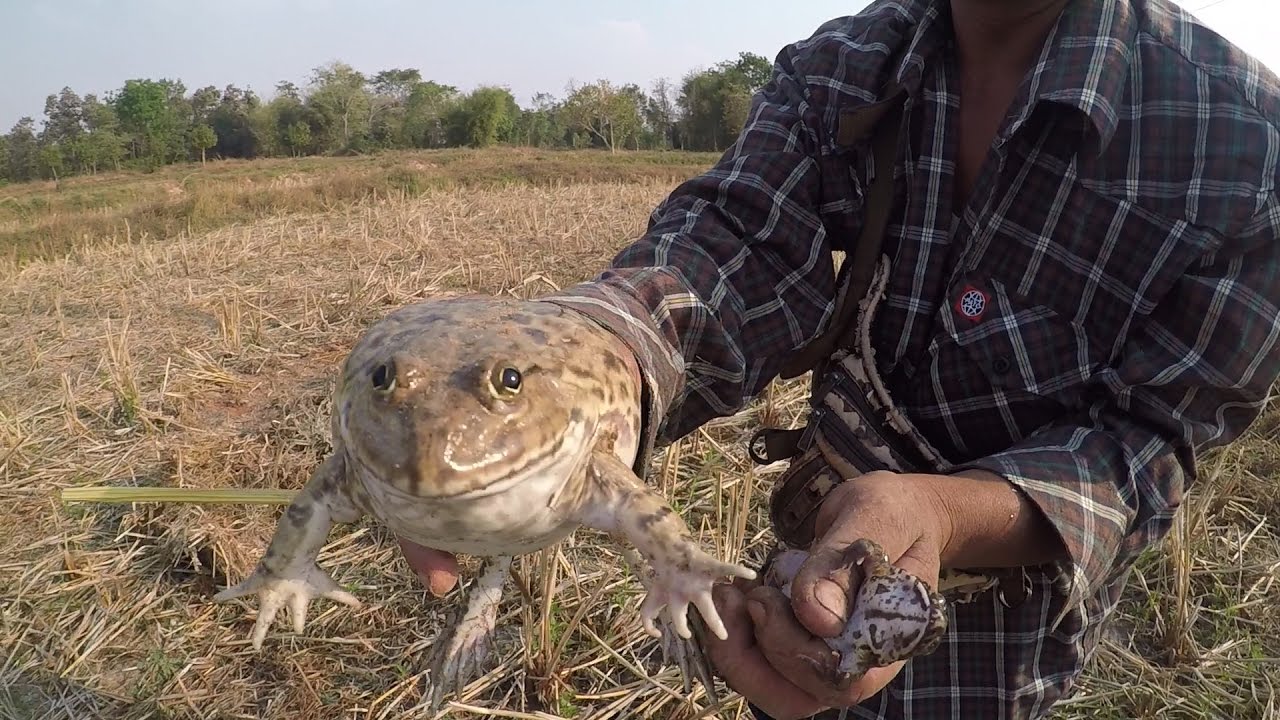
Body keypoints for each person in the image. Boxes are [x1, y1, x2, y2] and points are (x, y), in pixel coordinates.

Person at [398, 0, 1280, 717]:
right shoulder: (842, 67)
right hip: (803, 580)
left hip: (1009, 644)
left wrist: (939, 515)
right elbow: (732, 242)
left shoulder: (1248, 147)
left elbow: (1149, 441)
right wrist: (577, 360)